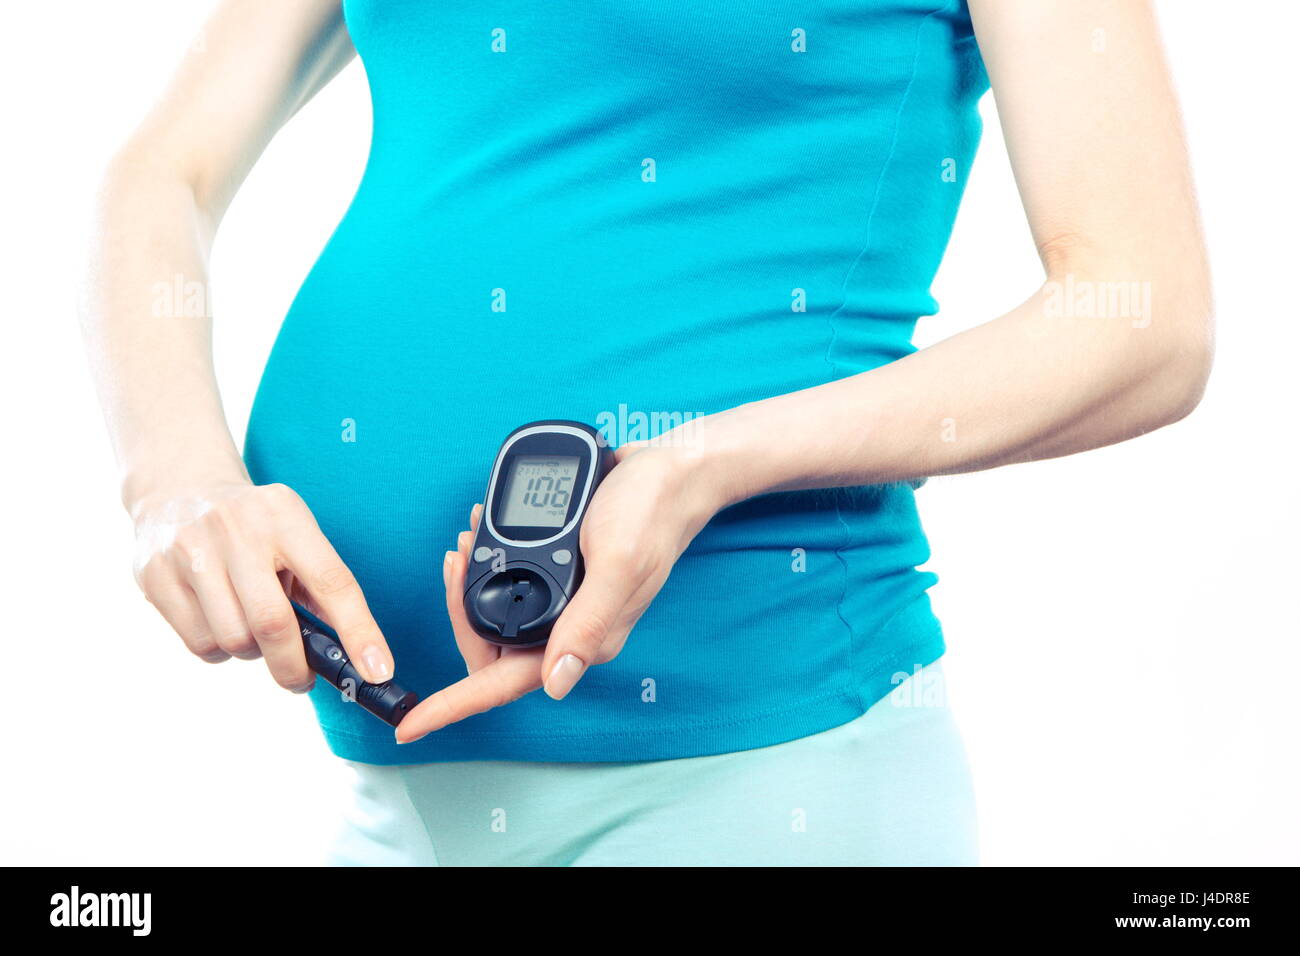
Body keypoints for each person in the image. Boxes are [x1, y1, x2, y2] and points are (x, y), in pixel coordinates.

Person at [82, 0, 1211, 865]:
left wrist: (700, 463)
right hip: (391, 799)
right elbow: (158, 169)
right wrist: (175, 478)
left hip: (757, 783)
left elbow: (1143, 316)